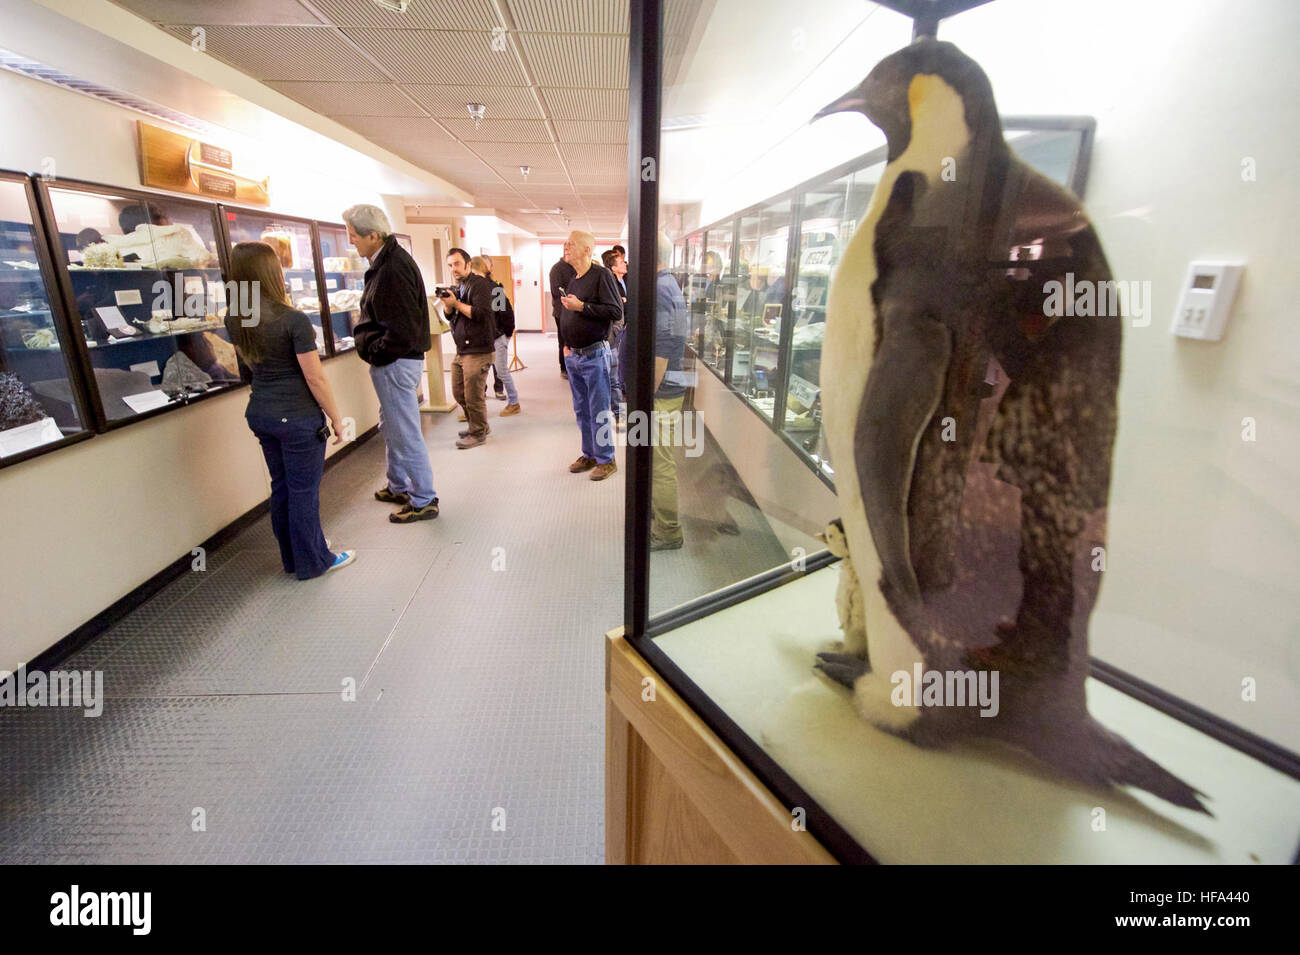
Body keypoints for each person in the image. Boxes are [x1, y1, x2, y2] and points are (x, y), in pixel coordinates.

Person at [224, 241, 354, 577]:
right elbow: (315, 378)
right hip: (297, 417)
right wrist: (337, 419)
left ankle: (292, 560)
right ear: (271, 273)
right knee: (303, 492)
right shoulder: (292, 320)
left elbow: (252, 367)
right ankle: (313, 562)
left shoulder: (236, 317)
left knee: (281, 487)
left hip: (261, 413)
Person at [343, 203, 439, 523]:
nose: (351, 241)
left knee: (404, 431)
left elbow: (403, 328)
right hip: (395, 362)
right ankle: (398, 484)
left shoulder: (393, 267)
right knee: (392, 425)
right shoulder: (386, 261)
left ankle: (424, 498)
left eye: (354, 235)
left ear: (373, 235)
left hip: (395, 363)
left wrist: (377, 353)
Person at [559, 230, 623, 481]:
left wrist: (582, 306)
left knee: (598, 410)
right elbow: (568, 314)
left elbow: (615, 311)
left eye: (571, 244)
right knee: (581, 410)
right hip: (574, 356)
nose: (566, 247)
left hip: (595, 355)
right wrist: (566, 344)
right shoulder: (575, 278)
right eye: (566, 244)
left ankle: (607, 459)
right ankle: (589, 454)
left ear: (587, 250)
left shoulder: (601, 275)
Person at [651, 233, 690, 550]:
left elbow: (663, 348)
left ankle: (668, 530)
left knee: (661, 464)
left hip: (661, 392)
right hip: (666, 389)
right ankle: (659, 520)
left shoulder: (662, 289)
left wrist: (645, 396)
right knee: (656, 459)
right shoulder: (666, 285)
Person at [438, 247, 497, 448]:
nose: (453, 269)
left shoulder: (479, 285)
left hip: (479, 349)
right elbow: (450, 316)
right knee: (458, 392)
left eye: (456, 264)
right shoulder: (460, 286)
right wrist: (448, 305)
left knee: (473, 395)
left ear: (468, 264)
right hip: (462, 349)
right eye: (450, 265)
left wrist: (456, 304)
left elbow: (481, 314)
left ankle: (478, 432)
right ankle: (477, 424)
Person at [470, 255, 520, 416]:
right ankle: (473, 407)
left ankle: (514, 402)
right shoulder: (472, 288)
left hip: (497, 336)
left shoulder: (494, 288)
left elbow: (505, 313)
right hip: (482, 338)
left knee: (501, 370)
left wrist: (506, 334)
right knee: (476, 373)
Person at [601, 248, 629, 423]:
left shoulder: (626, 280)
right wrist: (616, 334)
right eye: (620, 262)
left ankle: (618, 411)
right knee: (612, 377)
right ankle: (615, 412)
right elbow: (615, 312)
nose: (625, 263)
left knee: (615, 377)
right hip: (614, 337)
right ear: (612, 268)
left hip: (624, 330)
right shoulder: (610, 285)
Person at [550, 239, 576, 378]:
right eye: (568, 248)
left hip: (575, 311)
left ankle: (573, 366)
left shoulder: (575, 267)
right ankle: (564, 368)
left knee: (573, 340)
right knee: (564, 340)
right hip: (562, 311)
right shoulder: (557, 269)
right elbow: (557, 291)